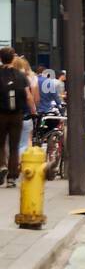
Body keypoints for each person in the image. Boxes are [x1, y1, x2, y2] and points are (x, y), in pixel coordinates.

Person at [0, 48, 28, 187]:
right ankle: (12, 177)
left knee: (0, 144)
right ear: (12, 59)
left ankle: (1, 166)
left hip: (1, 114)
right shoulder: (21, 76)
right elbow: (28, 96)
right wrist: (32, 111)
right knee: (14, 146)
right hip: (17, 114)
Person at [13, 56, 38, 155]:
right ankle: (23, 165)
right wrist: (34, 111)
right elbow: (32, 98)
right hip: (24, 115)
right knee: (26, 141)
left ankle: (7, 166)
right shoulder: (30, 78)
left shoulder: (4, 76)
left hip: (6, 115)